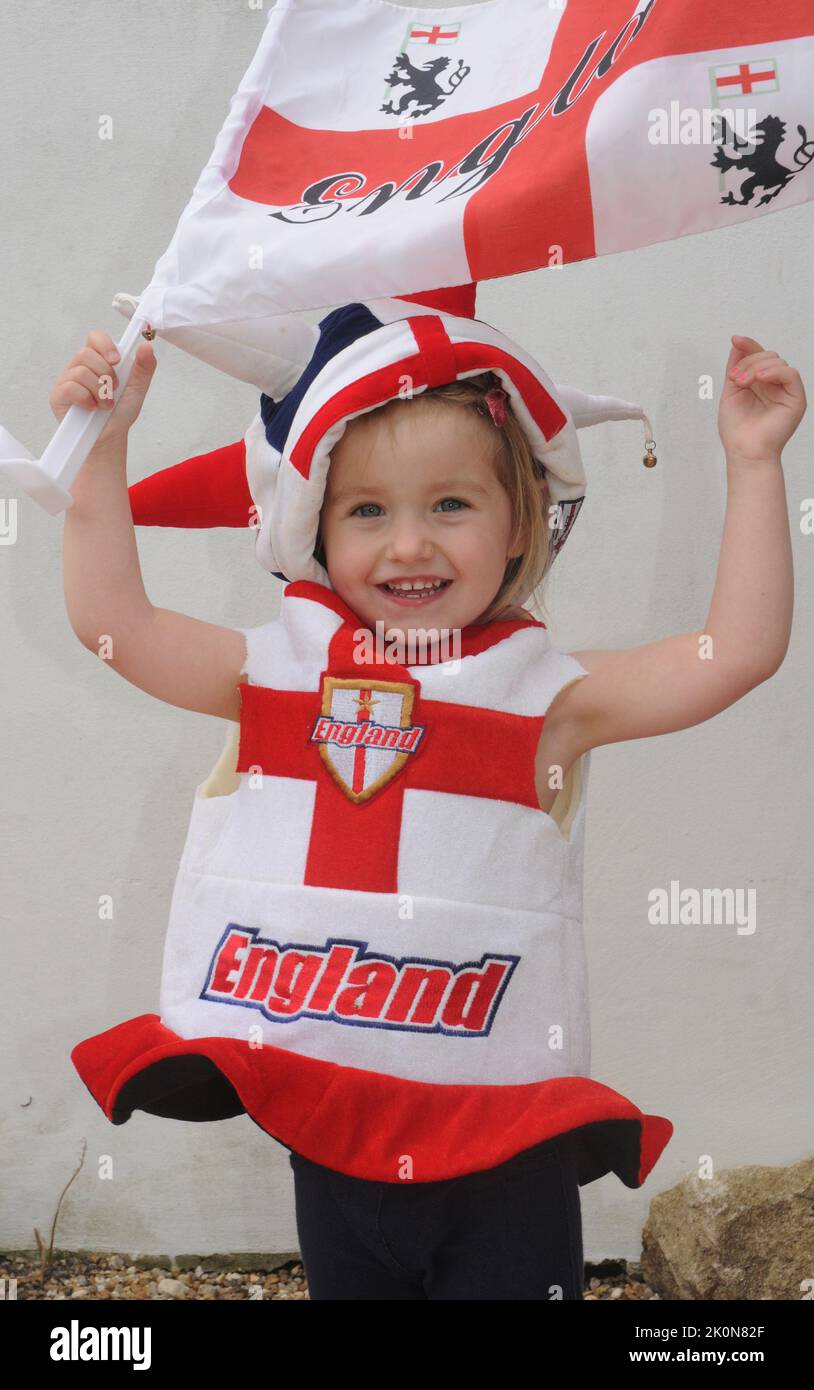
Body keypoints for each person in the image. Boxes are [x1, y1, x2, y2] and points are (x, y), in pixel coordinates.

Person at [53, 301, 805, 1300]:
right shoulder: (272, 673)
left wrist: (754, 462)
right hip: (331, 1128)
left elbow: (736, 653)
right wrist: (103, 445)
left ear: (521, 519)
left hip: (505, 1151)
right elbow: (113, 620)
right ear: (313, 522)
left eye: (450, 504)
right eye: (367, 510)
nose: (408, 543)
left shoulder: (550, 699)